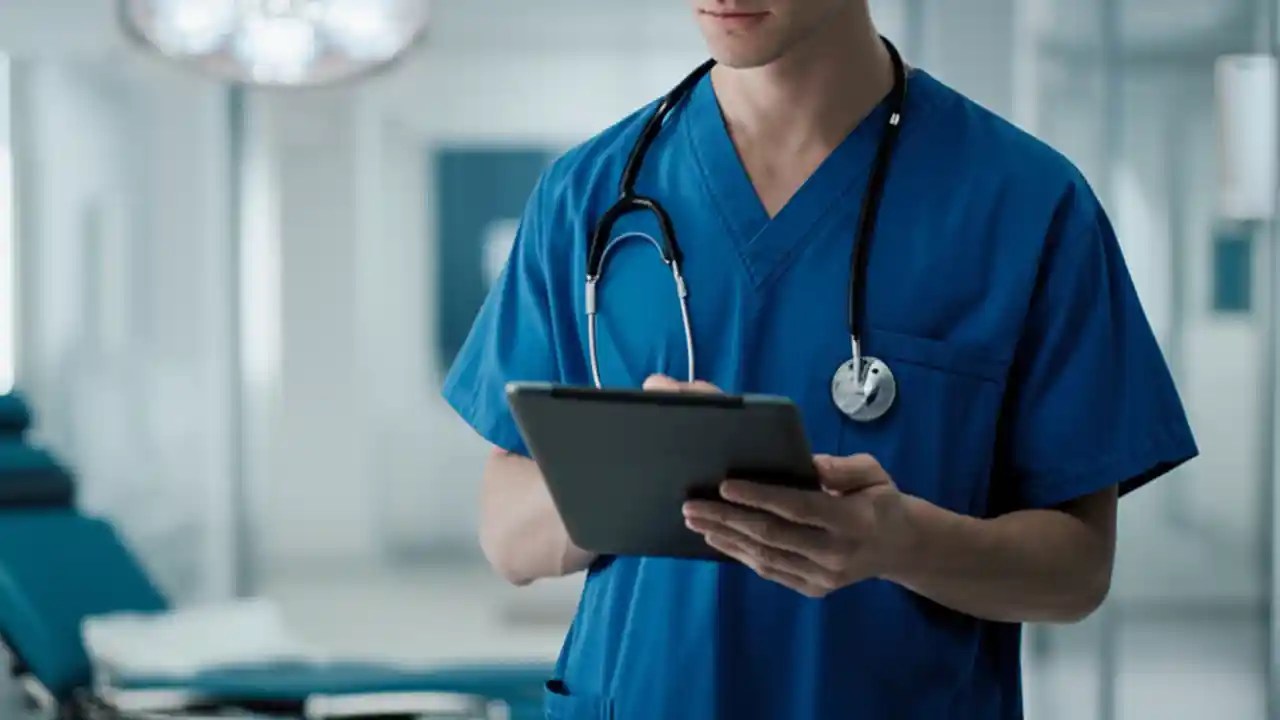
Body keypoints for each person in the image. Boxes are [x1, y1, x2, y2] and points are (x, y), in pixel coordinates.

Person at [442, 1, 1198, 718]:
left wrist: (901, 542)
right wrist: (638, 482)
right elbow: (507, 536)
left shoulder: (1027, 205)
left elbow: (1076, 571)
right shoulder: (589, 194)